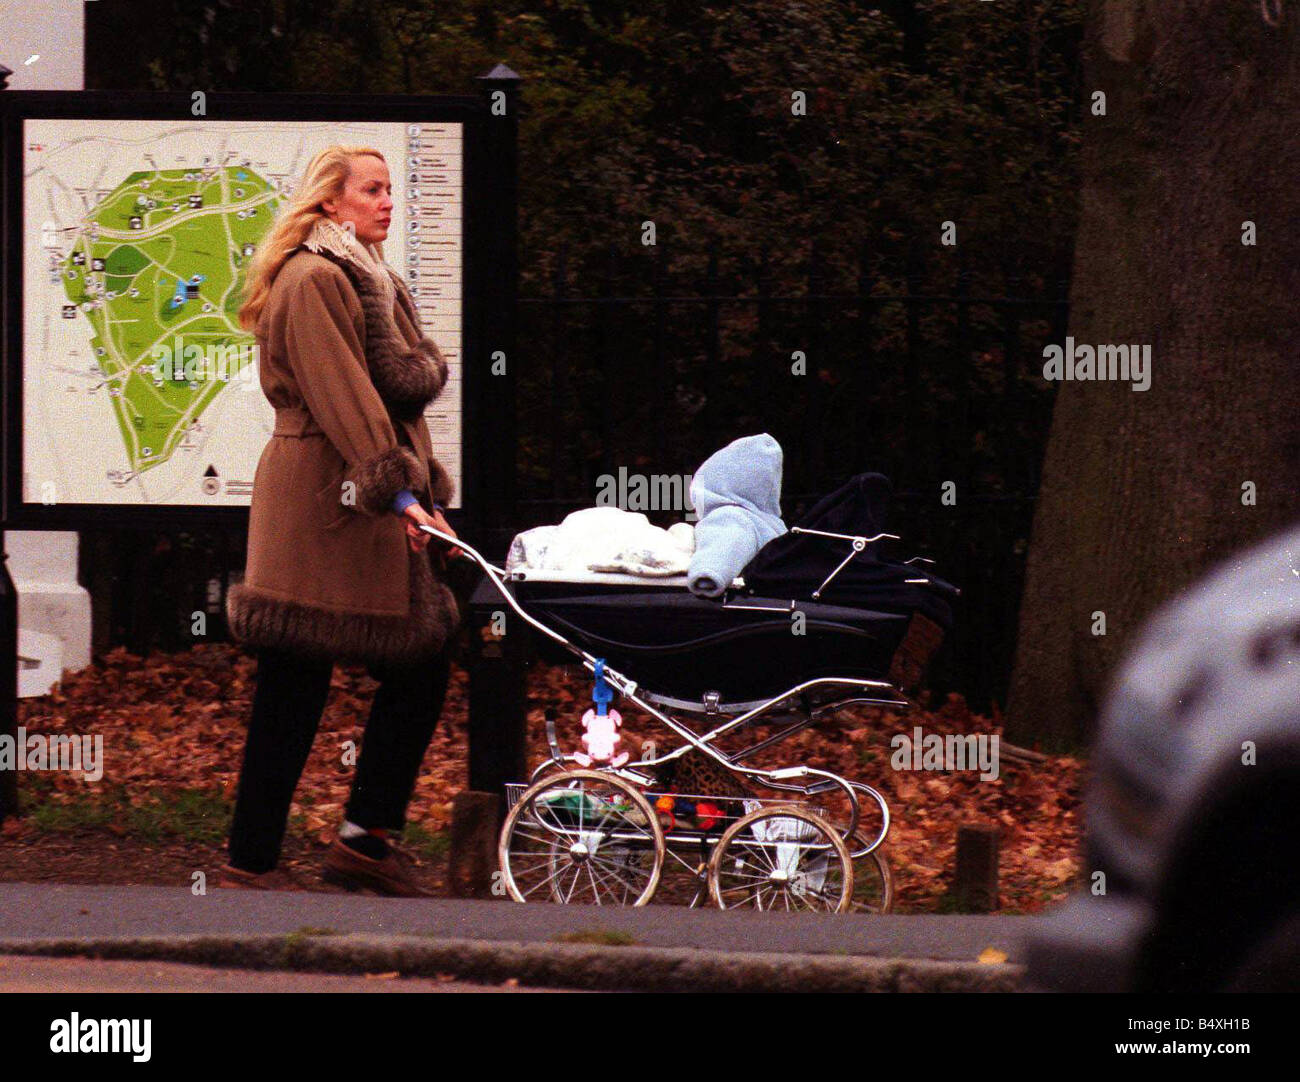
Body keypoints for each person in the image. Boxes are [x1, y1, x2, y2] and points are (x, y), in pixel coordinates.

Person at [218, 145, 462, 894]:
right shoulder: (314, 278)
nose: (387, 202)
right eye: (371, 190)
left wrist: (425, 492)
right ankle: (259, 860)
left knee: (410, 659)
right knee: (298, 675)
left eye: (391, 189)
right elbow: (344, 398)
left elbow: (385, 400)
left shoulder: (369, 276)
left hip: (353, 493)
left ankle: (356, 839)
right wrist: (400, 495)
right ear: (331, 201)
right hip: (321, 501)